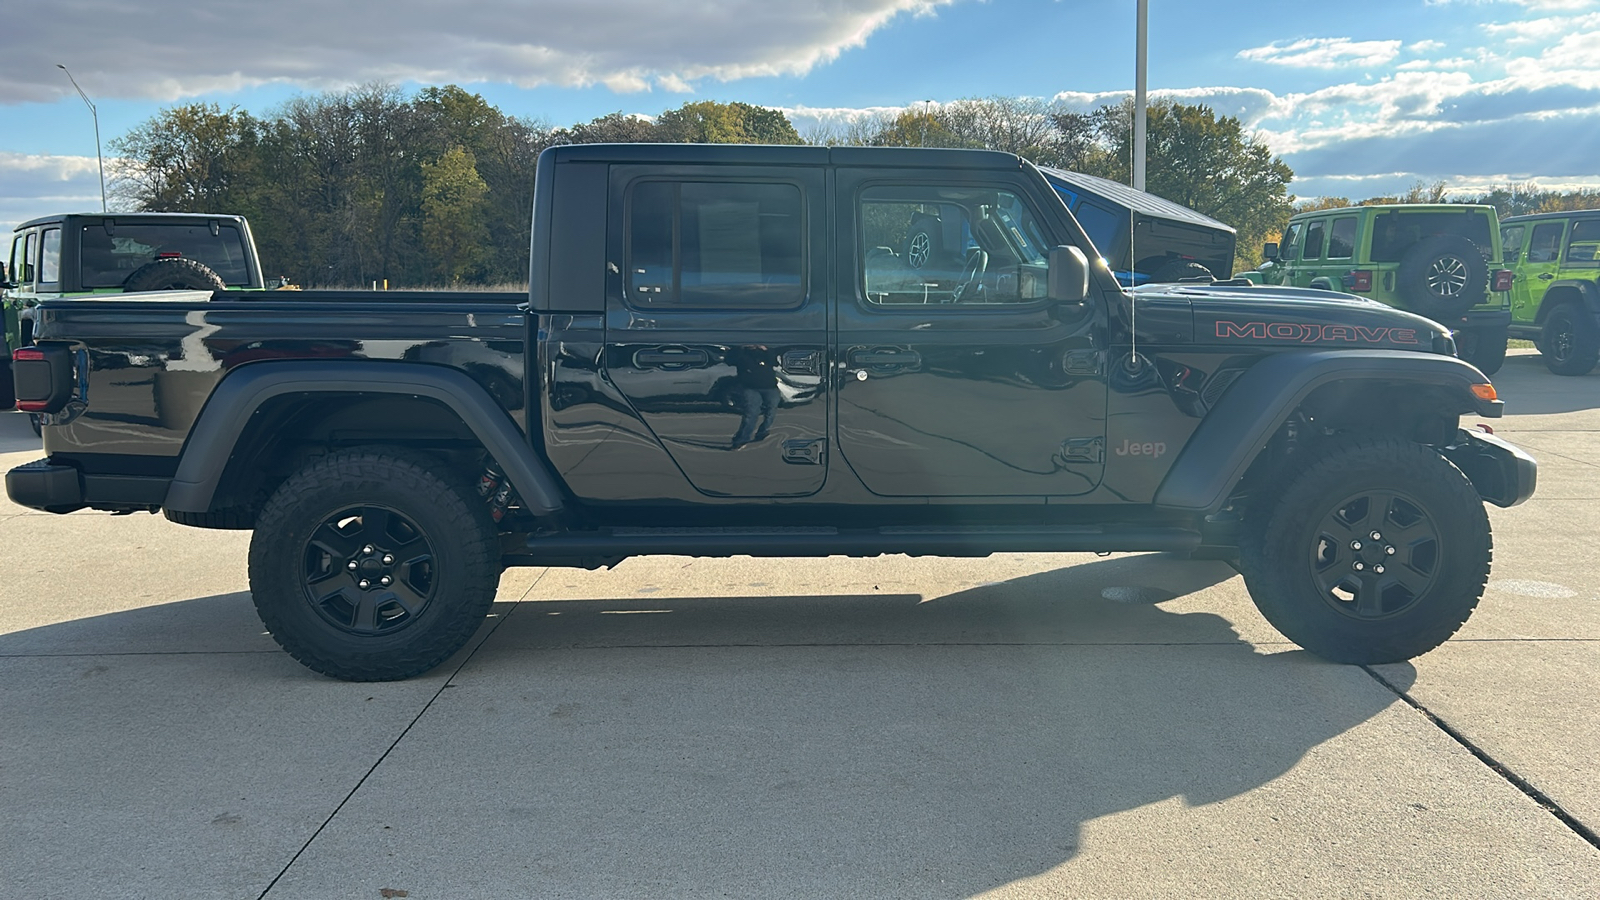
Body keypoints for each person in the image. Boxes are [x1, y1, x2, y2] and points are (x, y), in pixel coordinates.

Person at [728, 344, 781, 449]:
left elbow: (774, 362)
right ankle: (742, 439)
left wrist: (765, 349)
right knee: (751, 413)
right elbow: (729, 361)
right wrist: (741, 348)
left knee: (771, 411)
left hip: (770, 387)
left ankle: (763, 431)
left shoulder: (764, 353)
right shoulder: (741, 352)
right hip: (750, 388)